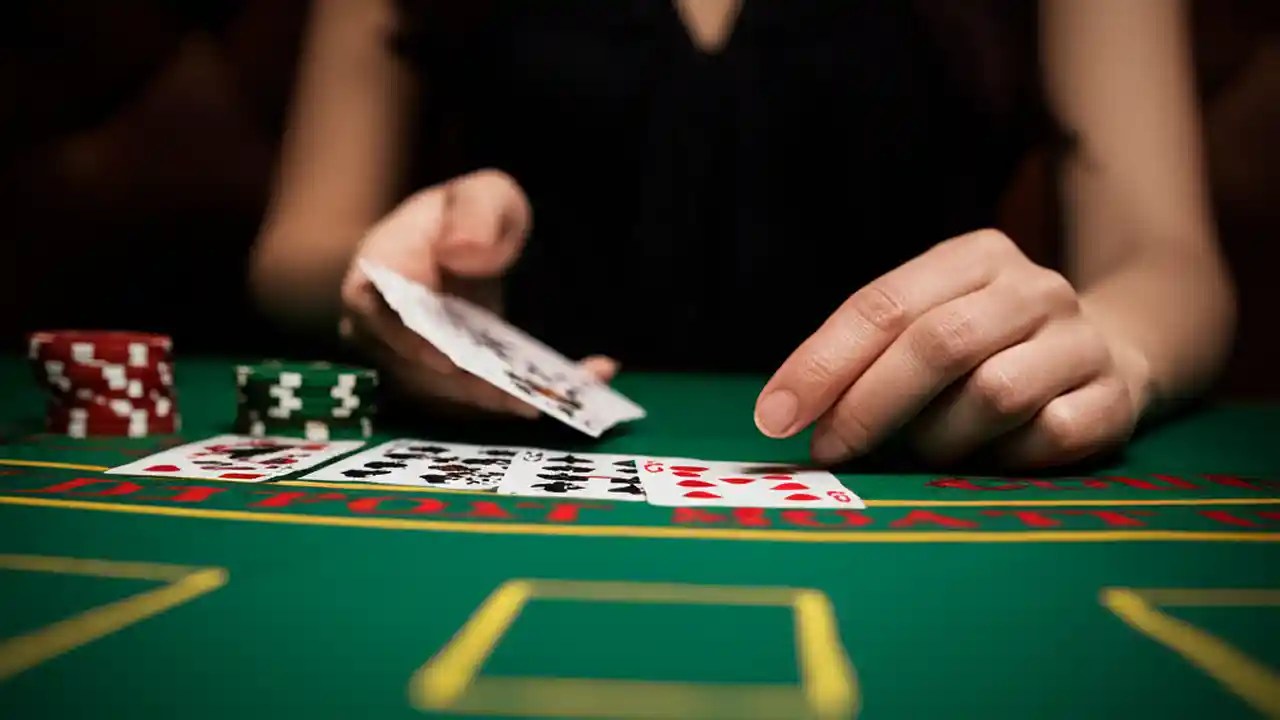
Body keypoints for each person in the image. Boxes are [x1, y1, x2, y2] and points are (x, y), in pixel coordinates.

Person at [248, 0, 1235, 470]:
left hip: (916, 466)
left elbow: (1165, 257)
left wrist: (1113, 346)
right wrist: (407, 281)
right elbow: (298, 247)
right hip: (498, 452)